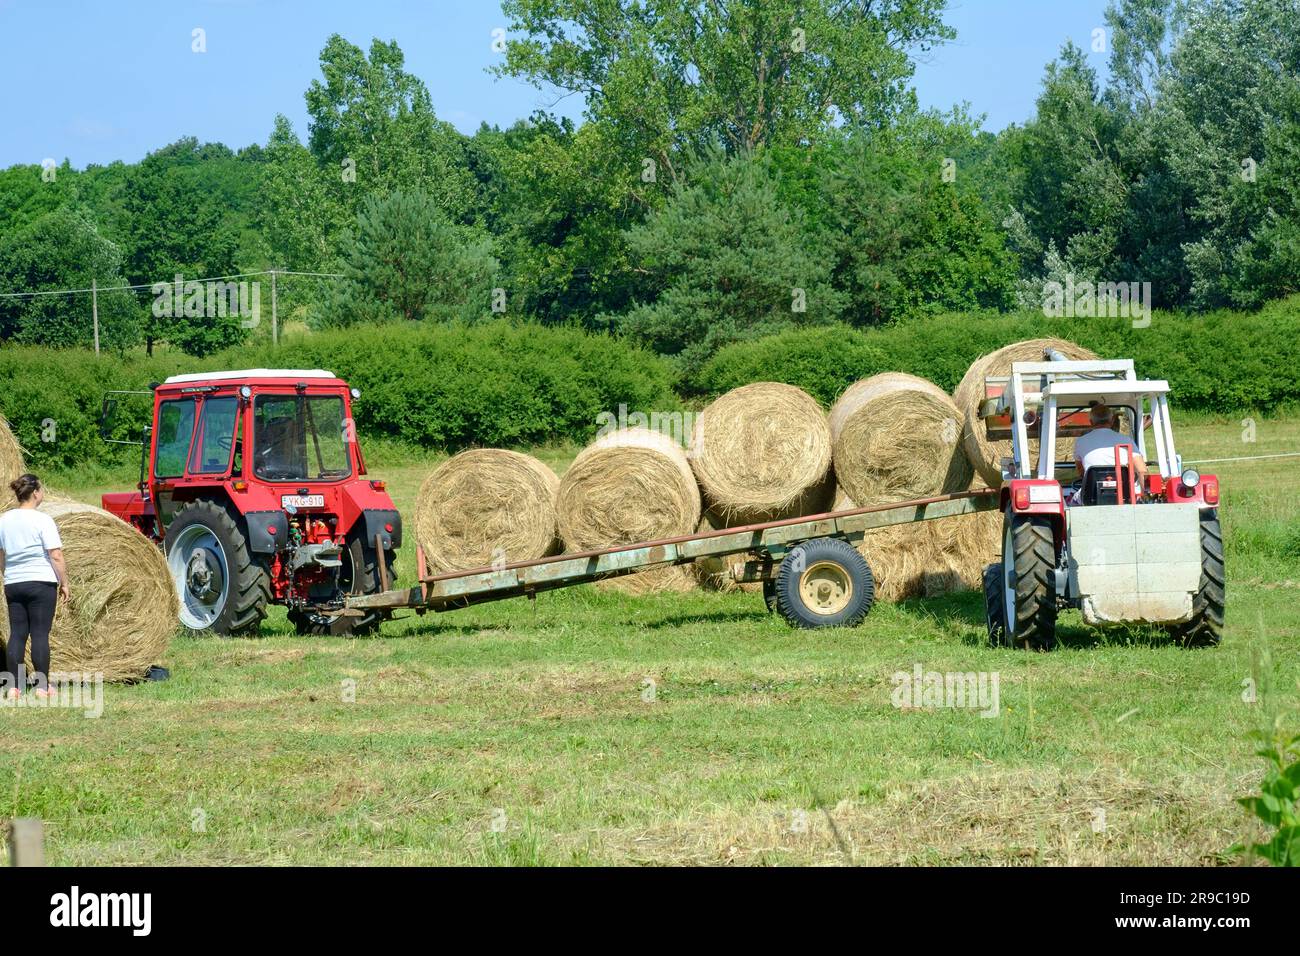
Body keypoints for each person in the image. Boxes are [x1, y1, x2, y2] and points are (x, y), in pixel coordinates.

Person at [0, 474, 70, 699]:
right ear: (36, 493)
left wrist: (8, 574)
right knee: (40, 634)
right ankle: (42, 687)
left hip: (14, 582)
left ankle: (14, 687)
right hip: (41, 582)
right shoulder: (43, 520)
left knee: (17, 634)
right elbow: (56, 555)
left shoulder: (3, 520)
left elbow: (1, 555)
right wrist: (64, 582)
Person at [1073, 404, 1146, 501]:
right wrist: (1144, 495)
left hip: (1091, 497)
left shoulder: (1080, 441)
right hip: (1124, 497)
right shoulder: (1125, 440)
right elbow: (1141, 471)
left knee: (1071, 501)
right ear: (1112, 421)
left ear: (1091, 422)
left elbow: (1081, 471)